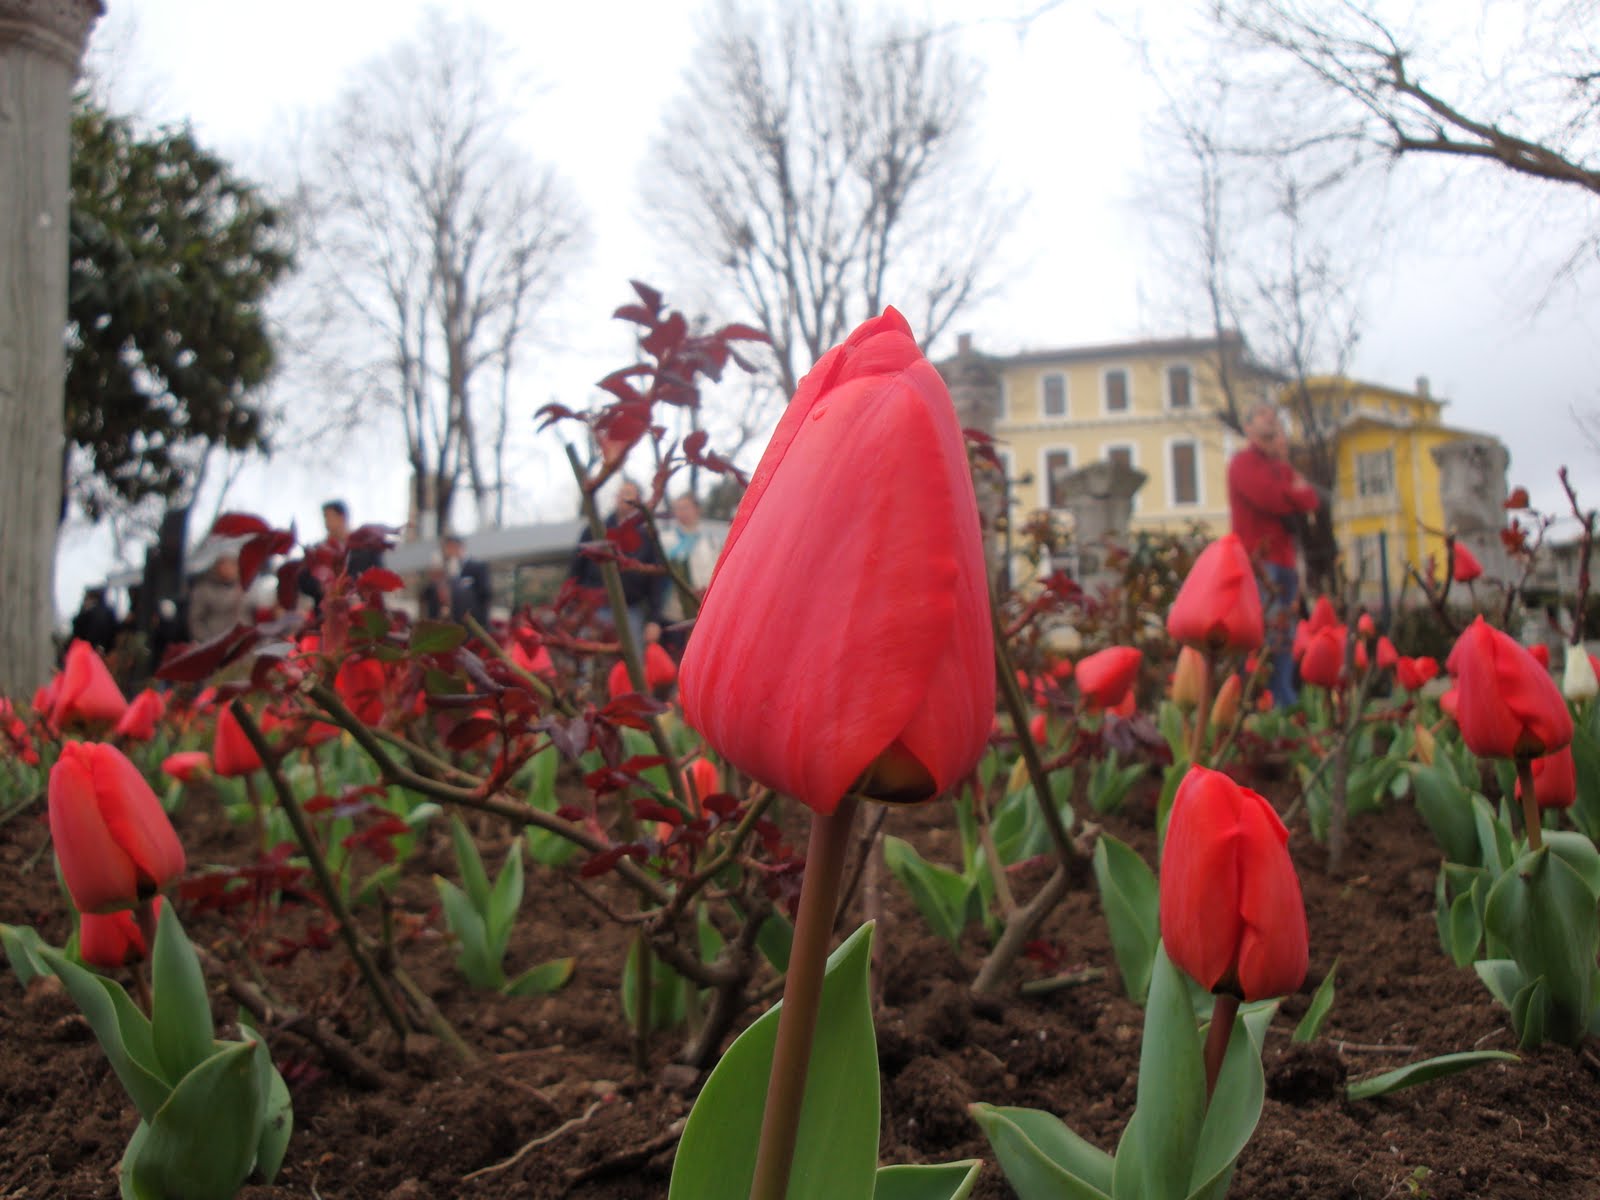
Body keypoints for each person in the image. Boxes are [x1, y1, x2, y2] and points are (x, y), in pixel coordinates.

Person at [1227, 402, 1320, 708]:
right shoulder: (1243, 463)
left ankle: (1282, 698)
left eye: (1273, 417)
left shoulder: (1280, 467)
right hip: (1260, 561)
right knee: (1264, 632)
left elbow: (1310, 499)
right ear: (1248, 428)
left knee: (1285, 633)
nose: (1270, 421)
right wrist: (1294, 494)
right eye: (1262, 416)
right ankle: (1259, 698)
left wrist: (1293, 494)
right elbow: (1269, 499)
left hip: (1285, 561)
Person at [567, 479, 666, 648]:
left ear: (638, 501)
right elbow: (576, 570)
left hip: (631, 611)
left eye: (628, 494)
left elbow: (656, 580)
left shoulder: (647, 536)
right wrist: (573, 607)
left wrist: (655, 620)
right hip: (595, 611)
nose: (623, 498)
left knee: (631, 656)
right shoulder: (594, 530)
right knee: (592, 655)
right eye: (620, 494)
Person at [661, 493, 726, 652]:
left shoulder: (711, 541)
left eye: (686, 508)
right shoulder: (666, 540)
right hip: (674, 611)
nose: (682, 512)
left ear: (697, 510)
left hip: (703, 611)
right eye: (678, 509)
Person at [300, 499, 387, 608]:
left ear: (342, 517)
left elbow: (378, 577)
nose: (326, 523)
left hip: (361, 610)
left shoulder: (367, 547)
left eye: (329, 517)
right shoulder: (317, 550)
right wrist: (319, 587)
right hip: (327, 611)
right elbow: (304, 581)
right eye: (325, 518)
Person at [420, 535, 492, 628]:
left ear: (461, 548)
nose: (450, 551)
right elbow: (427, 595)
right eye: (447, 548)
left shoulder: (477, 567)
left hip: (469, 624)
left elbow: (485, 594)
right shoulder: (440, 569)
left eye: (453, 547)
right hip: (443, 623)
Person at [187, 553, 247, 644]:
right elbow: (195, 620)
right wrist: (206, 640)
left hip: (241, 642)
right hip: (214, 641)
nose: (230, 569)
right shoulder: (204, 590)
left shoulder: (244, 589)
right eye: (225, 565)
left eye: (233, 565)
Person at [68, 589, 120, 655]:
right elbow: (115, 629)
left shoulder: (87, 613)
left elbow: (77, 628)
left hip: (89, 649)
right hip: (106, 650)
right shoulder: (109, 611)